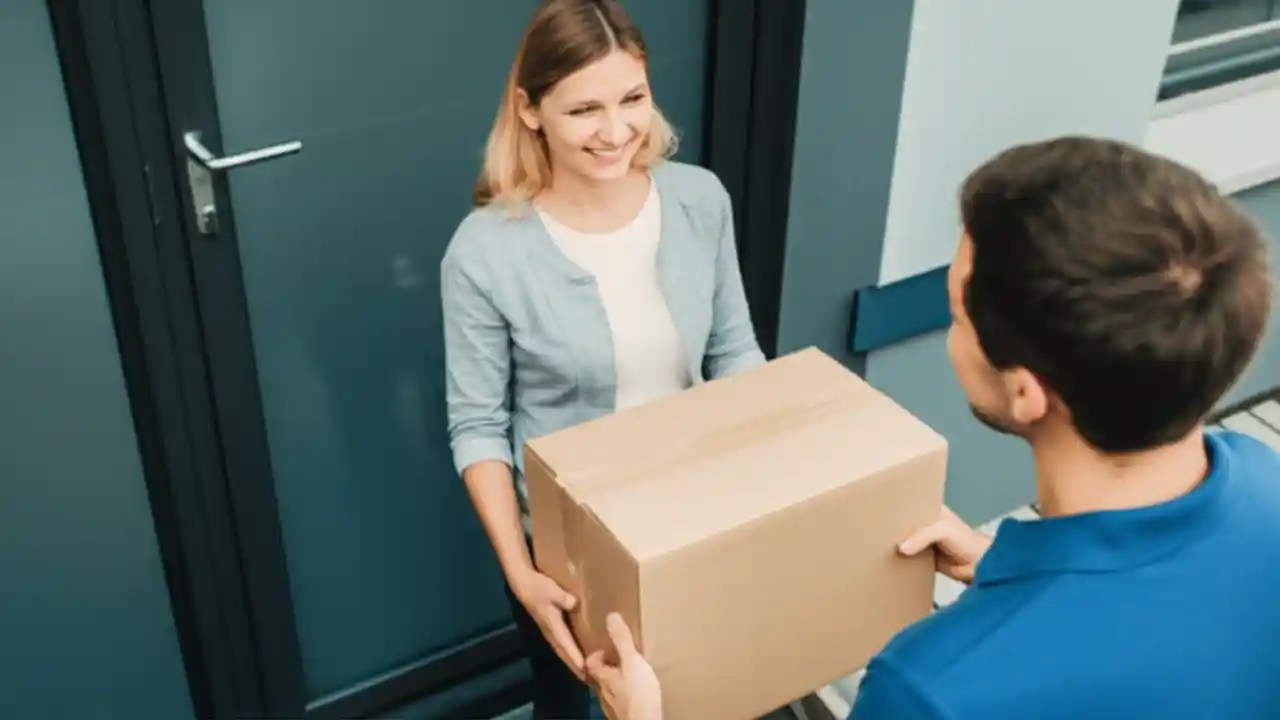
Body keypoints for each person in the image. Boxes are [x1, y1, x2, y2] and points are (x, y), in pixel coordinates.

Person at [586, 136, 1280, 719]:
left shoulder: (935, 691)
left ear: (1025, 392)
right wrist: (1002, 567)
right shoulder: (1262, 476)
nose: (952, 335)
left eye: (957, 314)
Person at [439, 0, 764, 716]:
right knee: (573, 708)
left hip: (691, 511)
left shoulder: (699, 200)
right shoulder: (483, 253)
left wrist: (762, 477)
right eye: (585, 109)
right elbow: (479, 426)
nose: (616, 131)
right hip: (569, 551)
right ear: (530, 110)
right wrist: (522, 573)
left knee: (698, 694)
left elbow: (734, 348)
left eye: (632, 99)